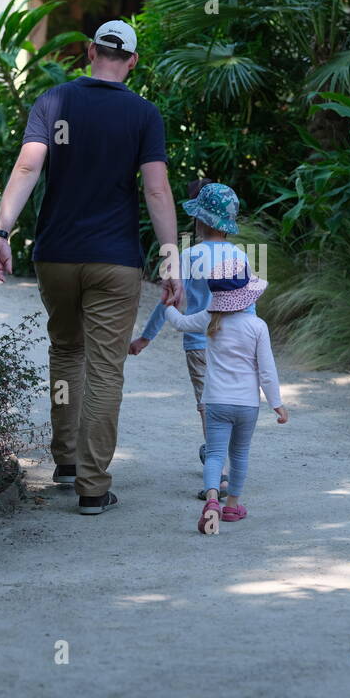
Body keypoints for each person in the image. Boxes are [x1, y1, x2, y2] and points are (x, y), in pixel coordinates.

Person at [0, 19, 183, 515]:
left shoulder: (53, 102)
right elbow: (156, 189)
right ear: (132, 61)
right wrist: (171, 257)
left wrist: (0, 232)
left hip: (56, 255)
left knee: (66, 352)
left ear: (89, 51)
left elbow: (27, 168)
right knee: (105, 370)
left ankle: (67, 461)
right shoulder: (143, 113)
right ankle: (92, 487)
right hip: (114, 261)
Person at [128, 180, 254, 499]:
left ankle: (220, 472)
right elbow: (249, 302)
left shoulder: (188, 256)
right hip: (235, 343)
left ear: (199, 220)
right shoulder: (241, 256)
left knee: (207, 406)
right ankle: (221, 457)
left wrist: (145, 337)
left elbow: (168, 300)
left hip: (199, 343)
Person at [163, 263, 287, 534]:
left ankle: (211, 501)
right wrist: (276, 404)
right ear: (247, 295)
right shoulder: (257, 326)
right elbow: (267, 370)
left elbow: (181, 323)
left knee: (215, 454)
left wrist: (168, 305)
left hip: (216, 402)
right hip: (246, 404)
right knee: (239, 454)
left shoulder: (209, 318)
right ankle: (232, 506)